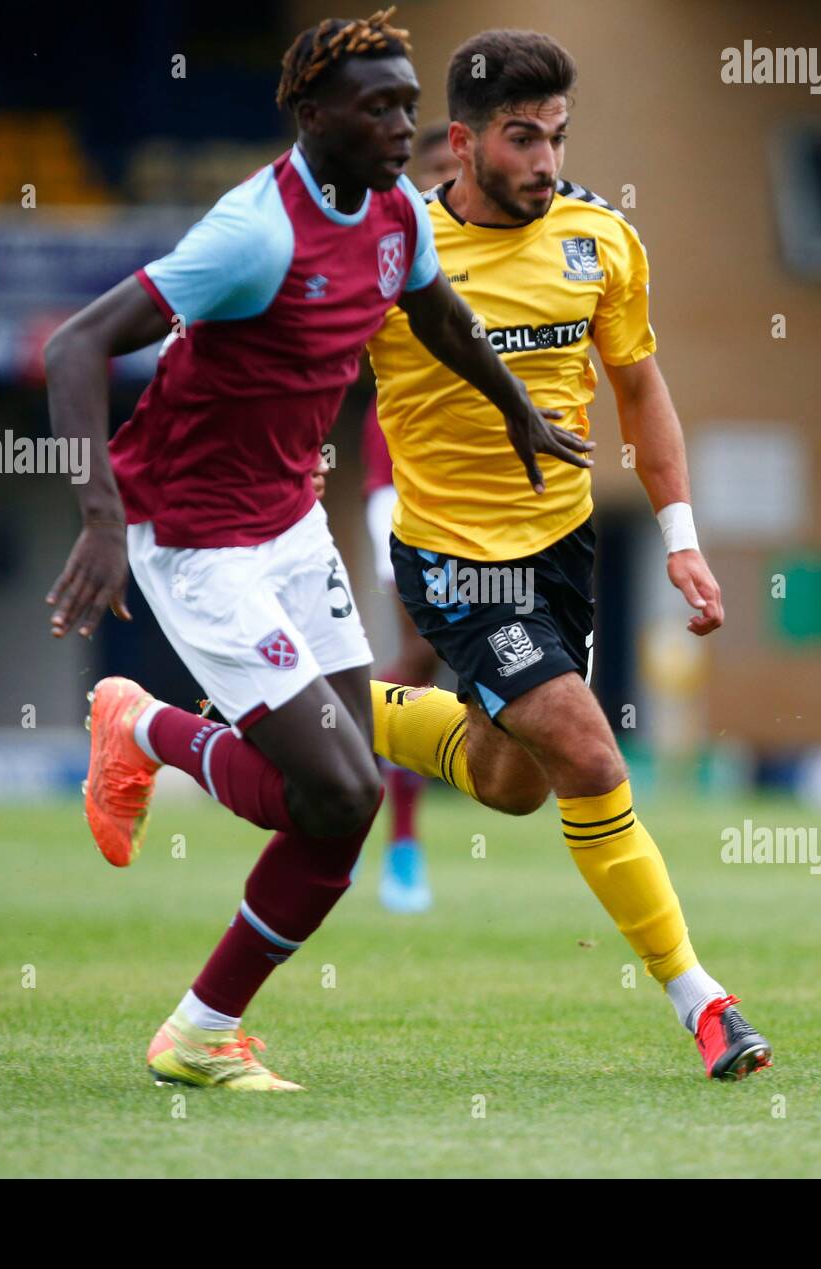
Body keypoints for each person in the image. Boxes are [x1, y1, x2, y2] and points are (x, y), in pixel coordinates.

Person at [42, 8, 590, 1091]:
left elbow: (439, 318)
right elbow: (77, 344)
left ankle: (200, 1022)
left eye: (407, 101)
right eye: (378, 105)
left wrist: (517, 409)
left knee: (345, 787)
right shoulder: (253, 233)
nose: (403, 124)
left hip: (289, 517)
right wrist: (101, 518)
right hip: (194, 534)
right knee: (341, 794)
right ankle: (147, 739)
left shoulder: (394, 212)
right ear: (310, 115)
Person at [364, 29, 772, 1080]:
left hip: (562, 547)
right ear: (460, 141)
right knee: (592, 754)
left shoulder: (601, 238)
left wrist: (680, 540)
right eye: (520, 138)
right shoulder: (389, 246)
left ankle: (305, 706)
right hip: (452, 551)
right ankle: (705, 1002)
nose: (545, 161)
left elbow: (641, 390)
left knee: (512, 784)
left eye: (555, 136)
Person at [361, 122, 459, 914]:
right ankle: (400, 846)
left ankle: (322, 718)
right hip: (399, 478)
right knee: (422, 648)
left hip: (485, 486)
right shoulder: (393, 241)